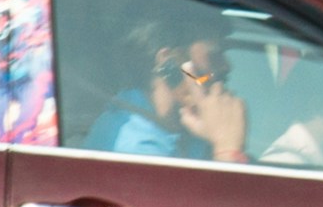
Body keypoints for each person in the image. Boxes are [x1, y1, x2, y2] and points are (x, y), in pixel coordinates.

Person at [100, 36, 247, 161]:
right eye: (214, 53)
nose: (227, 66)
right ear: (168, 62)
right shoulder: (134, 149)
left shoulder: (183, 127)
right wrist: (228, 148)